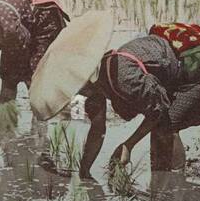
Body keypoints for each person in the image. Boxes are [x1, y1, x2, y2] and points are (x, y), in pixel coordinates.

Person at [77, 32, 184, 178]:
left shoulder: (123, 76)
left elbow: (158, 109)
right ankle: (165, 184)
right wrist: (84, 171)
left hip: (183, 65)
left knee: (166, 127)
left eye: (78, 89)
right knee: (161, 135)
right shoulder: (94, 89)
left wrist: (128, 145)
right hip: (158, 72)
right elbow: (97, 130)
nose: (79, 94)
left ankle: (176, 182)